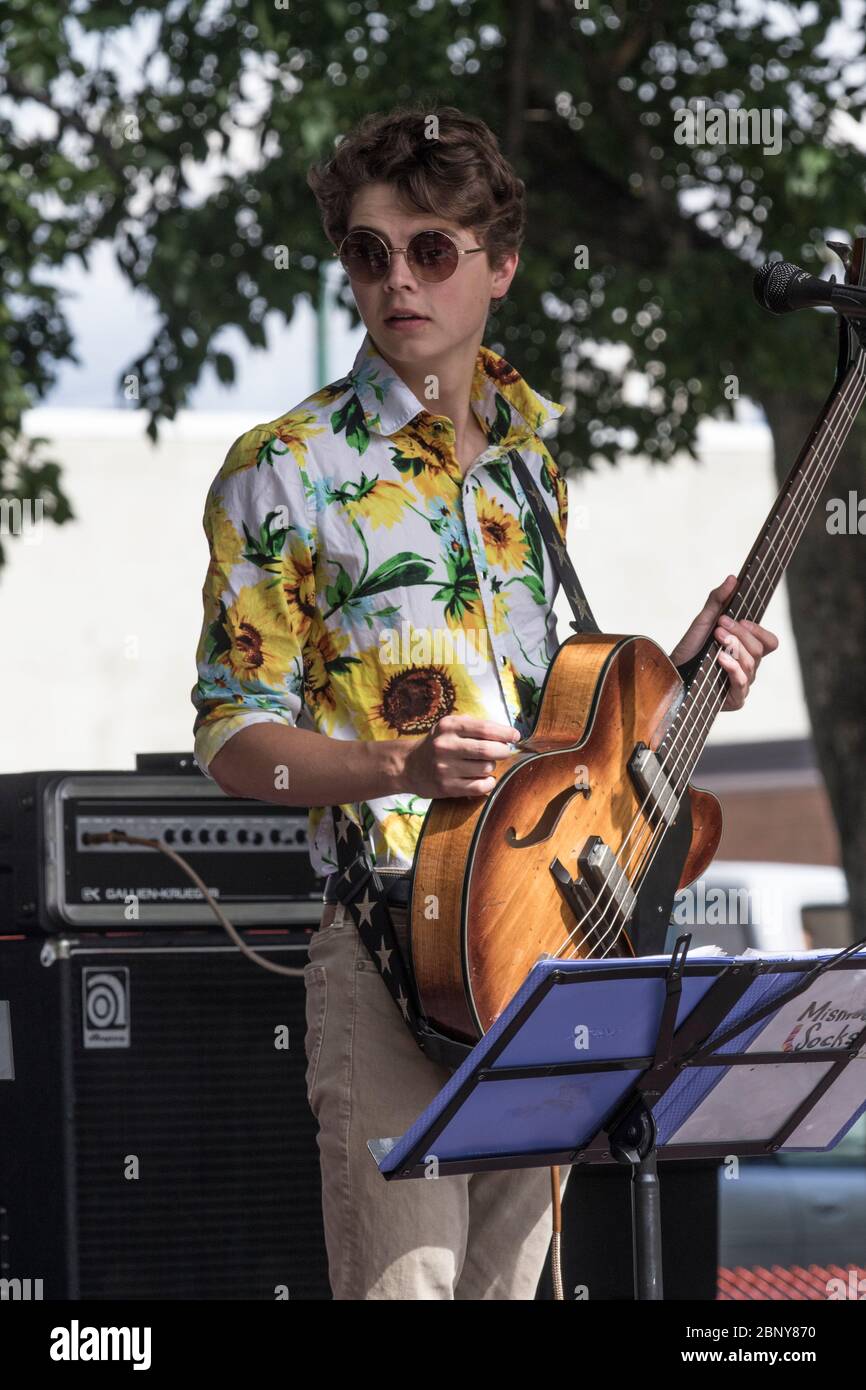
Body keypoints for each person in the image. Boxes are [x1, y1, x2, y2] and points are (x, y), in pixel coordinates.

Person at [190, 103, 778, 1300]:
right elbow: (232, 741)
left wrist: (684, 663)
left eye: (430, 249)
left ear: (498, 266)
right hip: (385, 950)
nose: (394, 279)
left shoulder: (527, 464)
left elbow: (557, 731)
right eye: (366, 252)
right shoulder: (282, 468)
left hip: (538, 953)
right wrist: (397, 771)